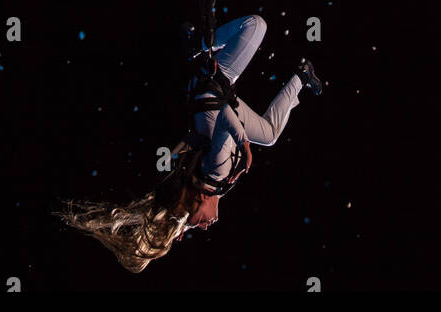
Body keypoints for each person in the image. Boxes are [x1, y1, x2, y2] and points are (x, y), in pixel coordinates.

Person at [55, 14, 322, 272]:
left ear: (195, 202)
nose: (205, 227)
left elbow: (223, 120)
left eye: (193, 225)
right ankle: (302, 76)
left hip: (214, 87)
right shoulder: (213, 187)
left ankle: (200, 44)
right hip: (219, 101)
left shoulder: (213, 173)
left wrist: (244, 143)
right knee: (270, 134)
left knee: (256, 25)